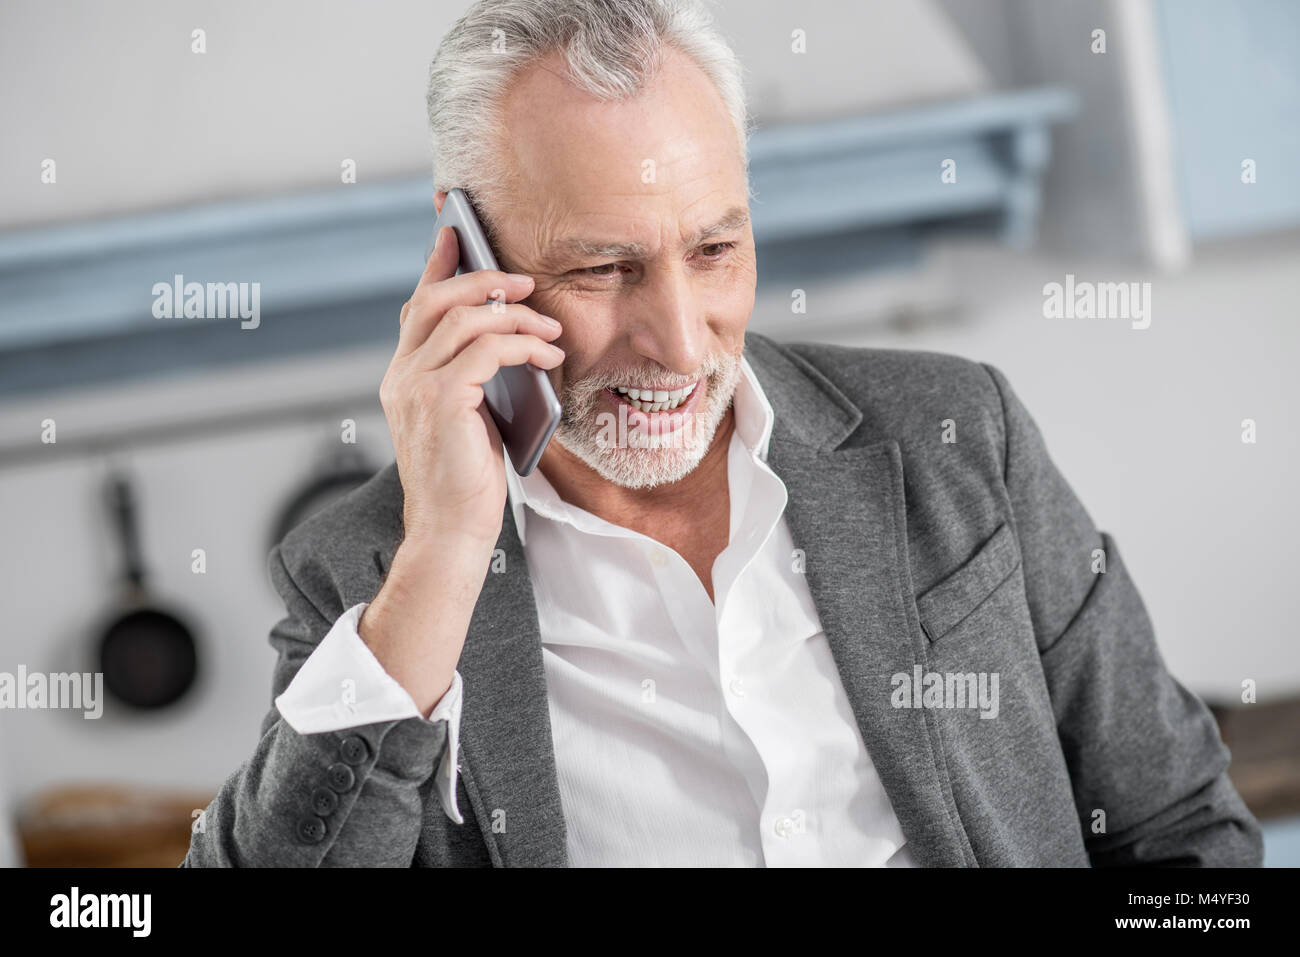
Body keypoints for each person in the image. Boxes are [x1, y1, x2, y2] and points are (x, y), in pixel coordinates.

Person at [183, 0, 1262, 867]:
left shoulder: (956, 437)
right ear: (469, 258)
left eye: (713, 249)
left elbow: (1179, 830)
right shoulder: (369, 578)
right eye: (603, 269)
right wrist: (450, 549)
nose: (679, 341)